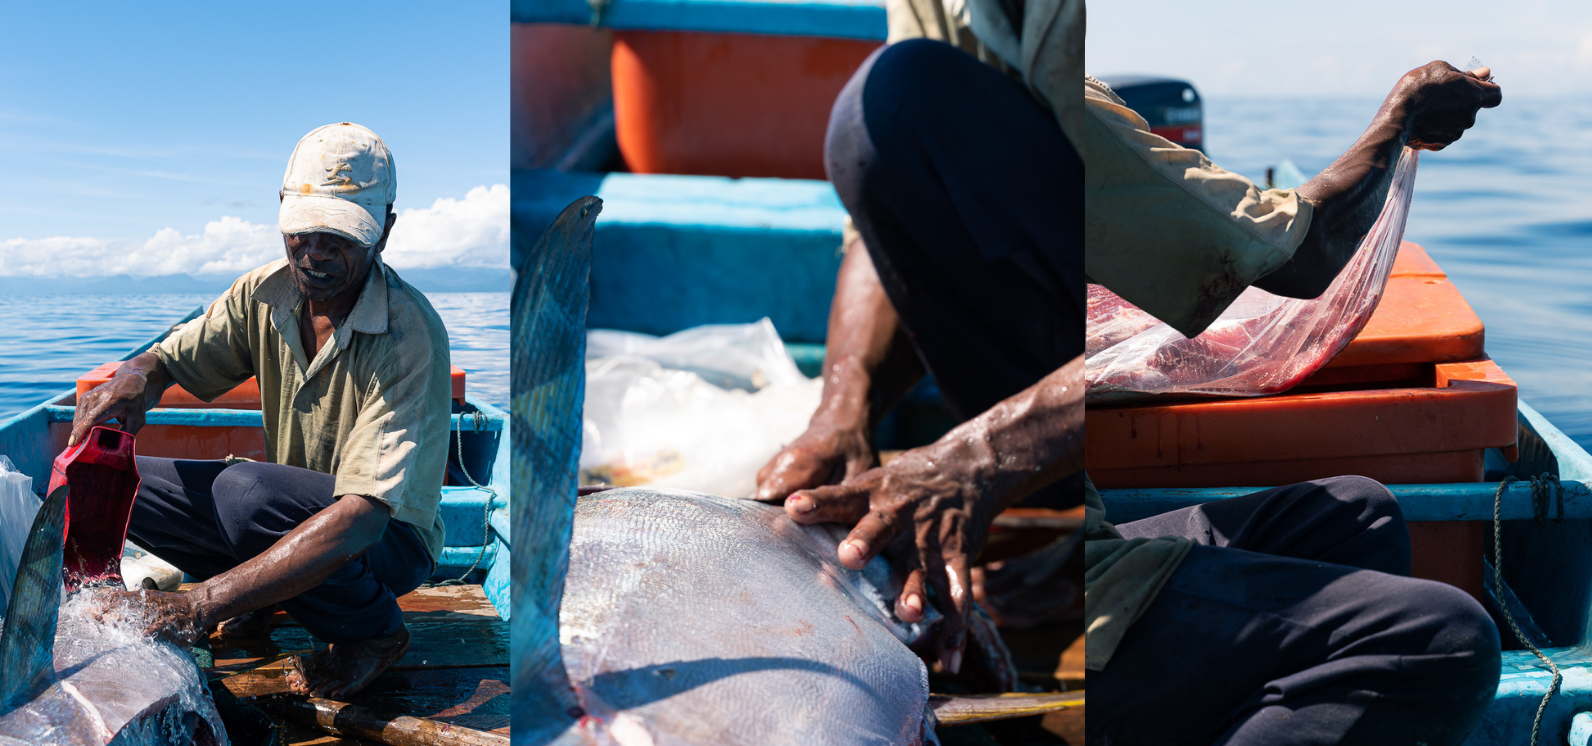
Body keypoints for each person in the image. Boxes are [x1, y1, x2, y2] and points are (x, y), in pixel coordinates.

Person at [75, 122, 453, 699]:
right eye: (302, 231)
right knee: (122, 480)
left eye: (341, 236)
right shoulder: (262, 294)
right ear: (281, 211)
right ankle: (272, 592)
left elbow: (365, 516)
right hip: (290, 516)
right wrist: (135, 381)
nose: (316, 253)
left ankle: (373, 635)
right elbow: (169, 360)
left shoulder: (410, 335)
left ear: (385, 231)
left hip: (390, 541)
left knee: (246, 494)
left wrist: (198, 604)